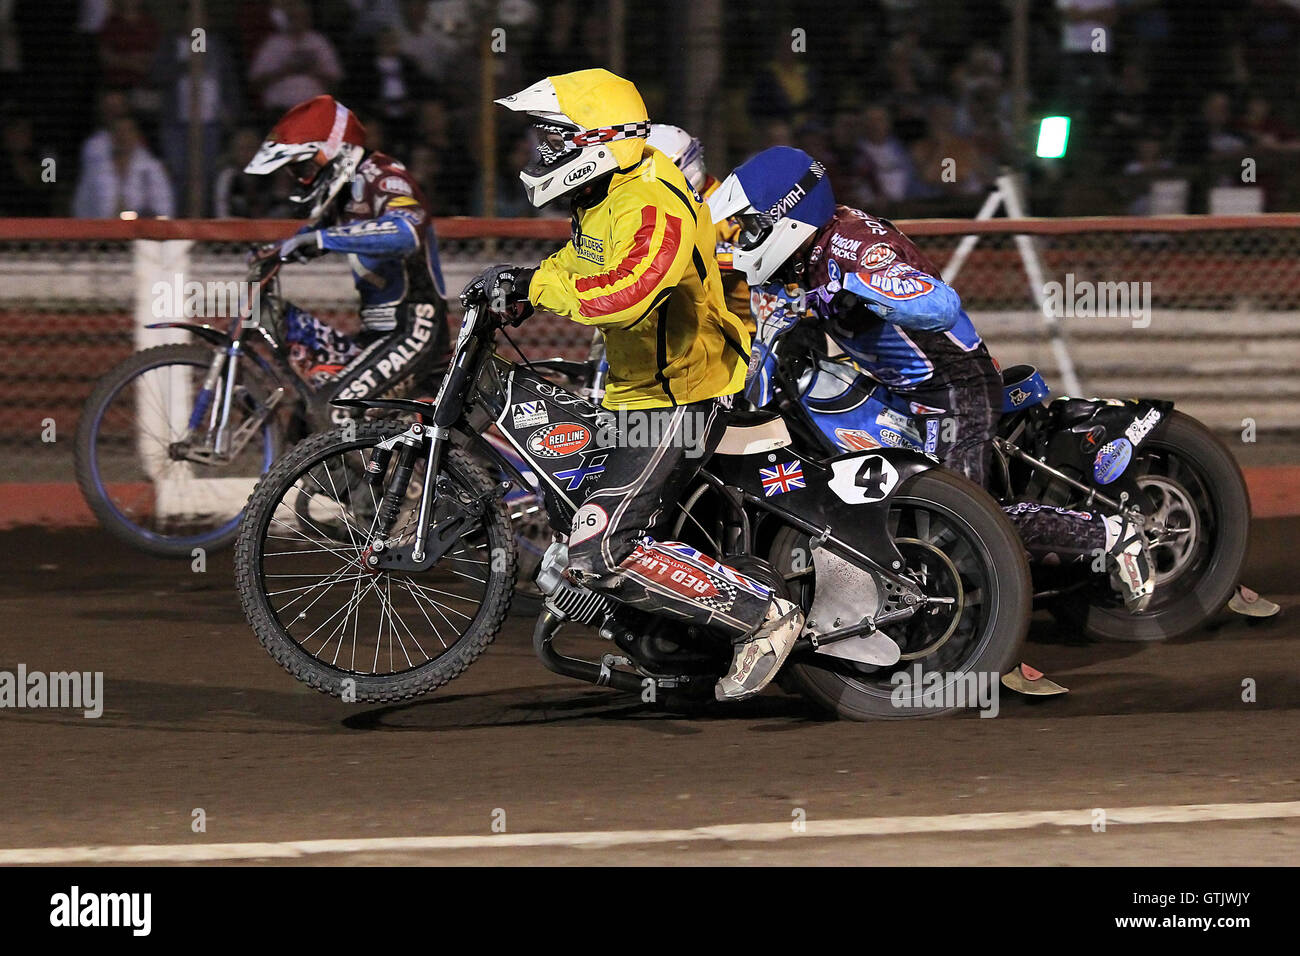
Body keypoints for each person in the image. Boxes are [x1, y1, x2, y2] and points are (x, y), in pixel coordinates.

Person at [462, 68, 802, 701]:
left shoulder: (657, 205)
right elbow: (586, 262)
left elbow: (626, 295)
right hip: (638, 389)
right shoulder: (608, 194)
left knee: (602, 547)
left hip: (683, 394)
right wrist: (528, 283)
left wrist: (536, 289)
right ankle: (660, 630)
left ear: (594, 139)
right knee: (579, 520)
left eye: (552, 138)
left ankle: (761, 618)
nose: (541, 152)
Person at [707, 146, 1155, 612]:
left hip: (953, 387)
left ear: (790, 214)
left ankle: (1111, 535)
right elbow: (766, 346)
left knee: (959, 520)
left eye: (754, 224)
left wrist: (861, 286)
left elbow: (941, 306)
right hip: (894, 390)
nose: (744, 235)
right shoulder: (793, 263)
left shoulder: (855, 246)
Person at [243, 94, 449, 424]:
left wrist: (323, 238)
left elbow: (407, 231)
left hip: (414, 328)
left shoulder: (384, 177)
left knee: (334, 411)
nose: (301, 179)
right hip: (378, 332)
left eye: (305, 168)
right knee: (305, 414)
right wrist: (276, 251)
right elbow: (310, 237)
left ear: (336, 153)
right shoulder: (346, 192)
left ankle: (385, 475)